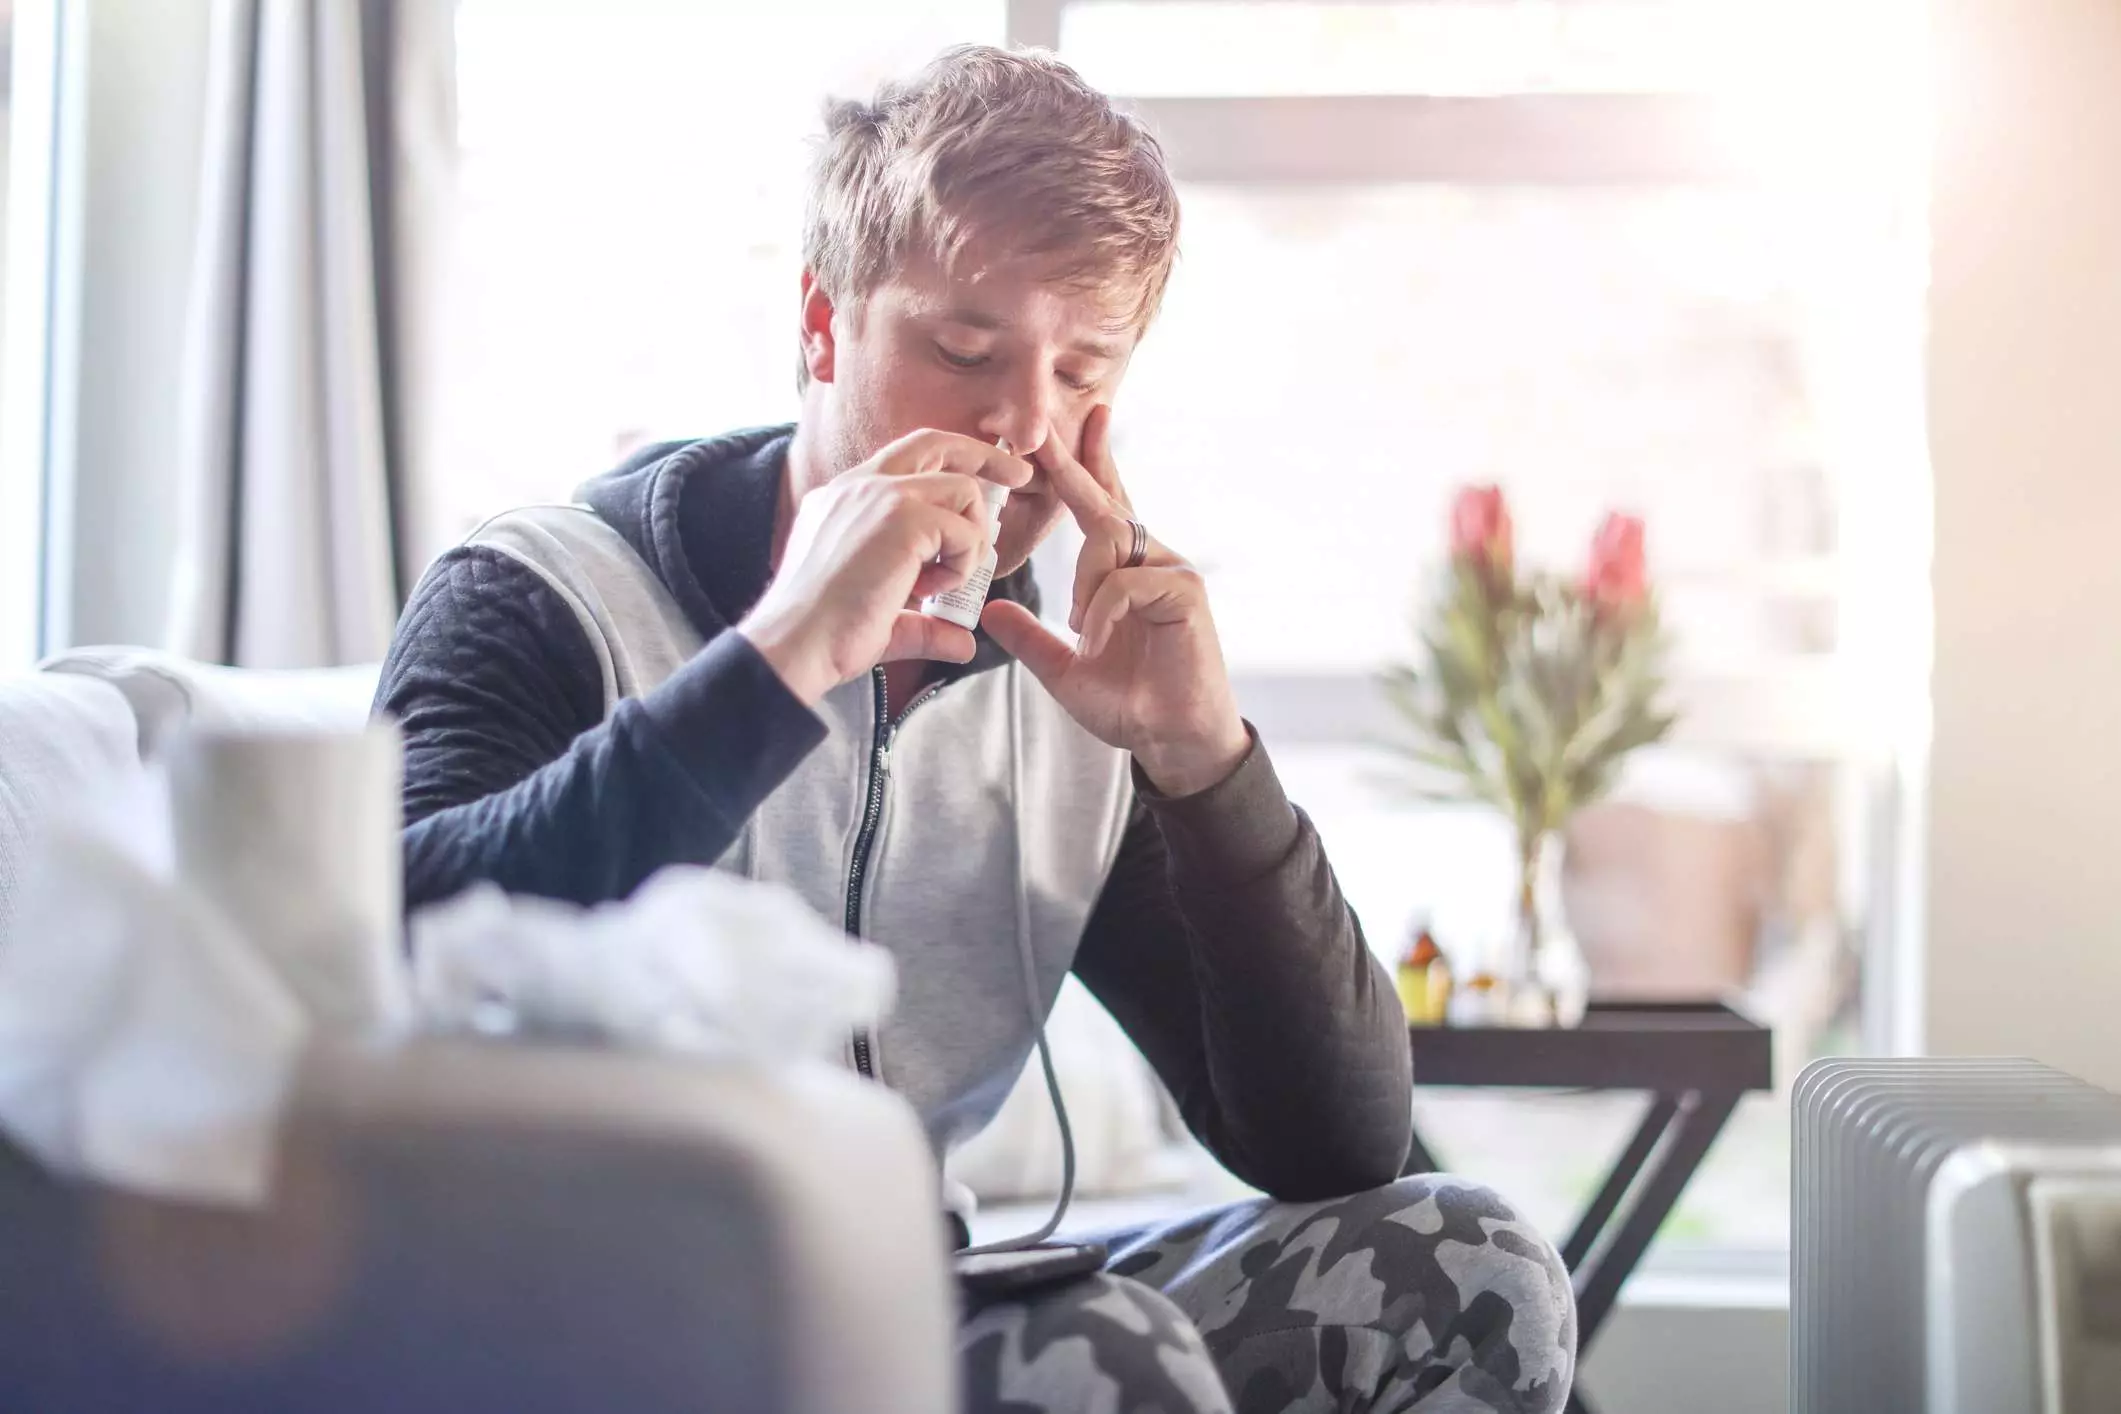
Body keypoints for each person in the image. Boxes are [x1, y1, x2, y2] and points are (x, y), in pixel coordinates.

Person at [374, 43, 1575, 1414]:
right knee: (1098, 1357)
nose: (1021, 424)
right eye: (964, 351)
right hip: (601, 1329)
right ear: (822, 325)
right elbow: (388, 956)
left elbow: (1334, 1142)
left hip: (909, 1319)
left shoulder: (1070, 692)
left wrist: (1206, 765)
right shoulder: (540, 594)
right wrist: (778, 663)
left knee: (1474, 1265)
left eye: (1083, 372)